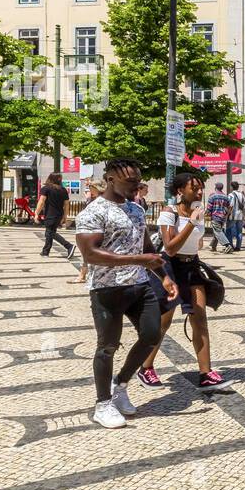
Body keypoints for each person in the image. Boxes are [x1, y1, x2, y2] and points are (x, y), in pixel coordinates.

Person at [74, 158, 178, 429]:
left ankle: (120, 385)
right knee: (107, 346)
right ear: (110, 179)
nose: (136, 186)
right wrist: (138, 259)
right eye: (130, 181)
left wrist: (164, 276)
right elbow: (90, 253)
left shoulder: (136, 210)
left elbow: (145, 247)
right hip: (107, 288)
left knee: (152, 334)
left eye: (138, 181)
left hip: (140, 284)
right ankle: (102, 404)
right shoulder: (93, 212)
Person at [137, 172, 231, 392]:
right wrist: (192, 223)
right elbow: (169, 247)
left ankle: (206, 374)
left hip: (191, 266)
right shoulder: (169, 213)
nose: (199, 192)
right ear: (180, 191)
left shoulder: (197, 212)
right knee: (163, 321)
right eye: (194, 188)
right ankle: (146, 367)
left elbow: (195, 243)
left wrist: (195, 235)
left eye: (201, 188)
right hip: (169, 266)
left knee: (200, 318)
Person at [35, 172, 76, 260]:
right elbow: (66, 204)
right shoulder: (63, 190)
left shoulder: (46, 188)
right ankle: (45, 251)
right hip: (59, 215)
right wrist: (65, 217)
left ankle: (69, 246)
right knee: (49, 232)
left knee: (50, 232)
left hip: (50, 214)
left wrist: (36, 213)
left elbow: (41, 201)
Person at [72, 181, 104, 283]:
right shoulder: (92, 199)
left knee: (90, 255)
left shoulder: (102, 200)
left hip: (96, 231)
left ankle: (85, 276)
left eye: (91, 188)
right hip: (88, 231)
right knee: (86, 255)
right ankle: (82, 275)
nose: (89, 191)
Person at [206, 183, 232, 253]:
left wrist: (207, 214)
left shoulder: (212, 195)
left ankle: (227, 245)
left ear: (216, 187)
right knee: (217, 231)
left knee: (218, 231)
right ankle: (213, 246)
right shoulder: (225, 196)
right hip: (222, 217)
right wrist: (226, 214)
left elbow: (209, 207)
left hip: (215, 216)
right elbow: (229, 207)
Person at [227, 182, 245, 251]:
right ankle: (238, 246)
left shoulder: (231, 195)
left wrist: (227, 214)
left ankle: (231, 245)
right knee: (239, 231)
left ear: (232, 187)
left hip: (233, 216)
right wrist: (244, 216)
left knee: (228, 230)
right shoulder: (242, 195)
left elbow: (230, 205)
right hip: (240, 216)